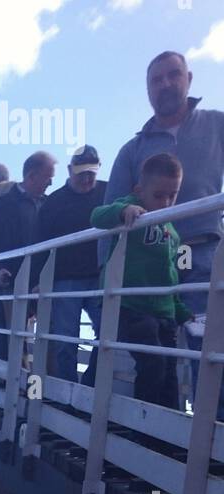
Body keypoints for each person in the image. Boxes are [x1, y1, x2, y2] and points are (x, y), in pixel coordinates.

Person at [106, 50, 224, 410]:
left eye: (173, 75)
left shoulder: (217, 125)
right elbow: (110, 214)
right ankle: (167, 429)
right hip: (155, 264)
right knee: (161, 353)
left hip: (204, 253)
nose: (166, 84)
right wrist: (108, 280)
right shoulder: (133, 149)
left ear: (189, 79)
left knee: (212, 347)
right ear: (147, 89)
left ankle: (215, 433)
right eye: (156, 80)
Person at [91, 151, 192, 410]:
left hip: (164, 311)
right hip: (132, 305)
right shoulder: (132, 210)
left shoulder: (171, 230)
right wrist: (125, 209)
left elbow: (170, 271)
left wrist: (180, 309)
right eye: (159, 195)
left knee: (170, 369)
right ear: (139, 190)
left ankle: (166, 428)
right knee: (153, 363)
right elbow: (97, 216)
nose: (166, 202)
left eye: (173, 195)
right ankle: (145, 423)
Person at [35, 147, 107, 384]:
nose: (87, 178)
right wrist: (37, 280)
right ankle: (67, 391)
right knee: (66, 339)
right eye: (81, 173)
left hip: (100, 277)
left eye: (91, 173)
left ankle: (88, 386)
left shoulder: (108, 193)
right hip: (65, 279)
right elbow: (40, 243)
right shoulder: (54, 202)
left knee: (108, 333)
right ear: (70, 170)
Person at [0, 152, 57, 359]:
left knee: (34, 334)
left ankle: (32, 382)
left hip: (35, 282)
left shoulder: (47, 204)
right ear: (31, 176)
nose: (50, 182)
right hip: (8, 280)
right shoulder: (4, 203)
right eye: (47, 177)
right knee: (4, 336)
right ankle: (2, 380)